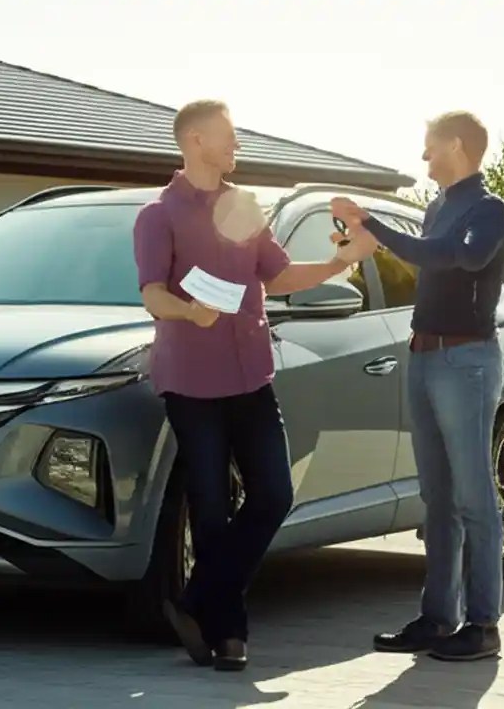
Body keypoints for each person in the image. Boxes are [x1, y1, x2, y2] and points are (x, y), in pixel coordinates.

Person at [134, 99, 376, 671]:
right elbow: (151, 295)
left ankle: (195, 601)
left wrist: (339, 263)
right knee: (211, 508)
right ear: (195, 141)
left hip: (251, 376)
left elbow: (280, 274)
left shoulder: (243, 205)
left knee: (274, 494)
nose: (236, 146)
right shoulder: (158, 214)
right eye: (228, 137)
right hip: (192, 383)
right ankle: (229, 634)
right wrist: (190, 313)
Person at [330, 110, 504, 662]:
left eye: (430, 148)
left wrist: (379, 229)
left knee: (474, 495)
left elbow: (463, 256)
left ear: (456, 146)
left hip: (467, 362)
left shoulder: (489, 209)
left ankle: (483, 626)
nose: (424, 158)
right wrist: (362, 244)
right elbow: (425, 261)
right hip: (424, 357)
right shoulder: (439, 206)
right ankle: (438, 618)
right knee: (436, 497)